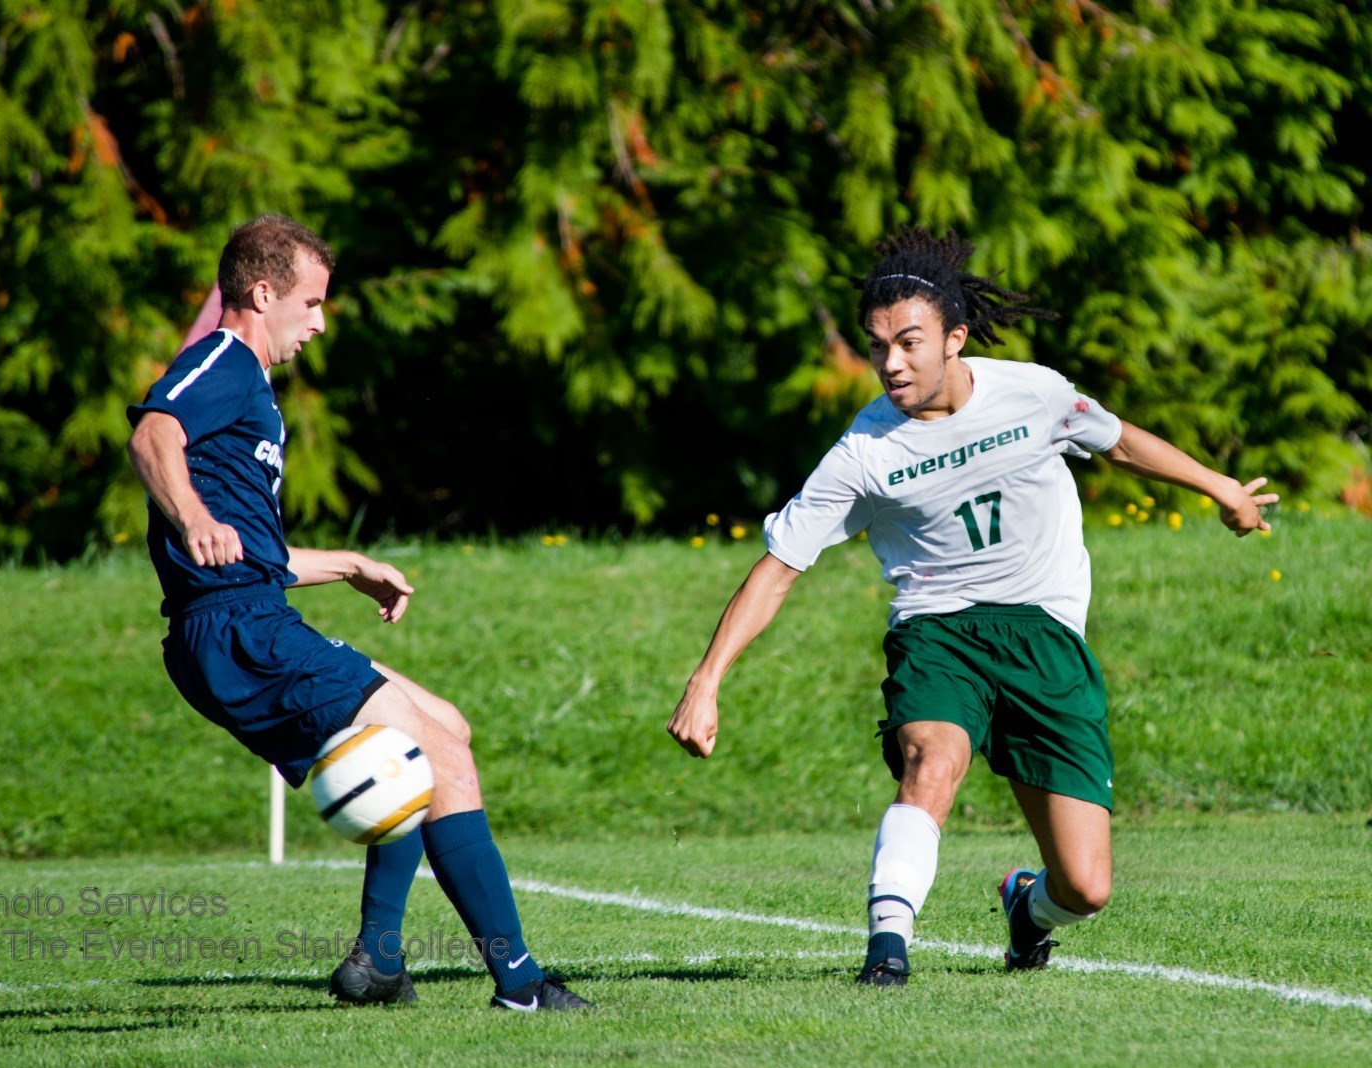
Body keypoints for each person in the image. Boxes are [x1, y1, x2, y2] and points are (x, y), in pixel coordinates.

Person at [666, 228, 1278, 987]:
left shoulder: (1035, 394)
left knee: (1085, 887)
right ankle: (887, 951)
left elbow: (1118, 443)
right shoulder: (863, 453)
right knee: (933, 761)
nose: (891, 362)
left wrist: (1221, 488)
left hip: (1044, 635)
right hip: (938, 630)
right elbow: (779, 568)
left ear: (955, 339)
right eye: (878, 344)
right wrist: (707, 679)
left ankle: (1028, 910)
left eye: (910, 342)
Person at [127, 213, 591, 1012]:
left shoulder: (253, 393)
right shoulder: (224, 361)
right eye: (309, 302)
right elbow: (153, 434)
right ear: (262, 292)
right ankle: (507, 983)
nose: (318, 321)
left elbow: (249, 553)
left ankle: (382, 961)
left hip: (247, 619)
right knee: (432, 752)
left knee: (447, 726)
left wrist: (345, 565)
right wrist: (191, 516)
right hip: (238, 633)